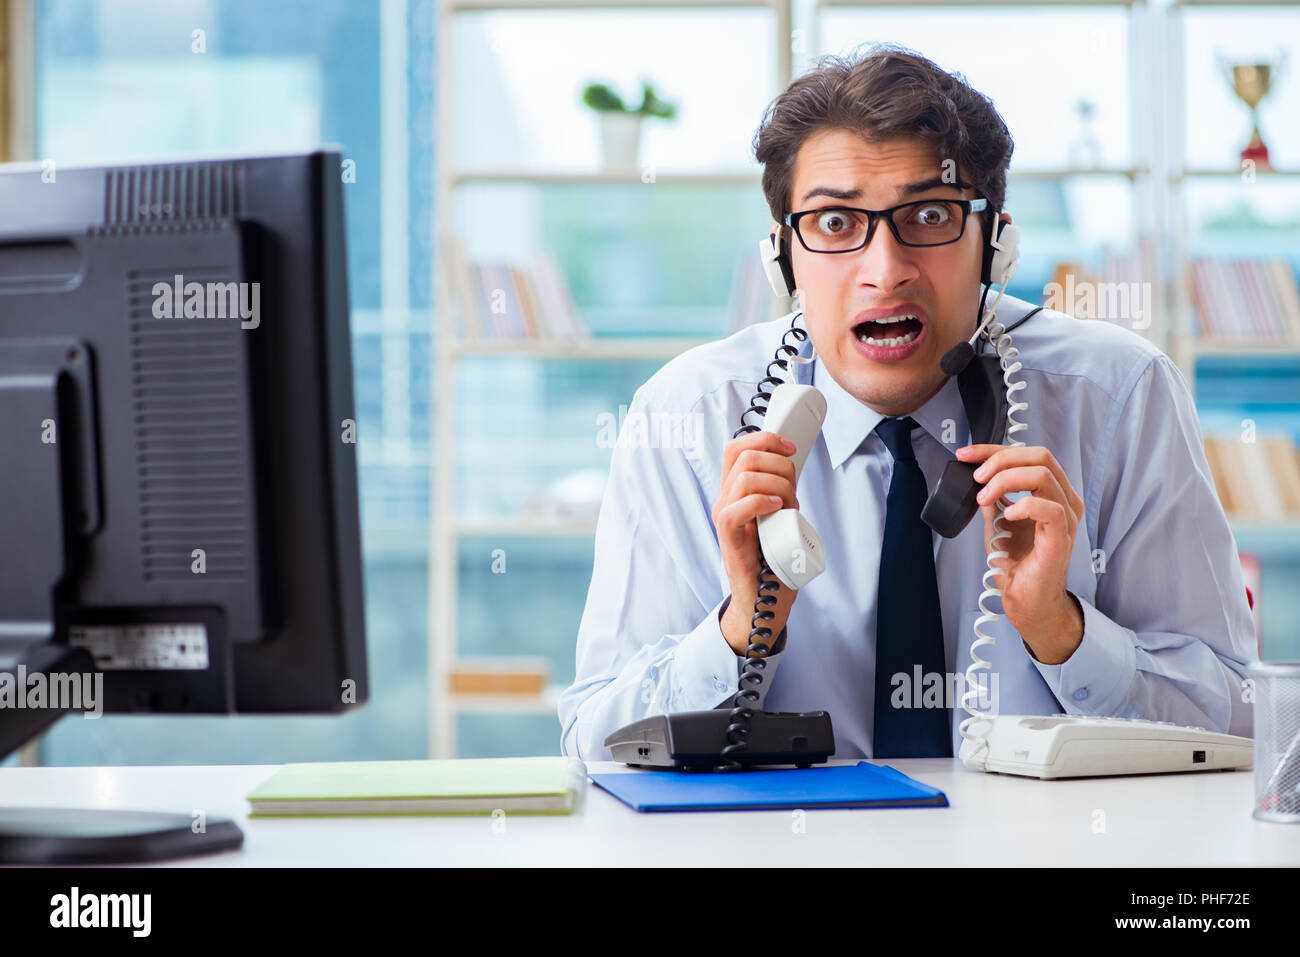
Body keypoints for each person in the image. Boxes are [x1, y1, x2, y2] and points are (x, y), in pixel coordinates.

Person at [557, 44, 1257, 761]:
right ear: (781, 258)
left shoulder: (1120, 399)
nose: (885, 271)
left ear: (996, 248)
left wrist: (1063, 631)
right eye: (835, 223)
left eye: (928, 216)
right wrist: (741, 627)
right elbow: (592, 741)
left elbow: (1241, 718)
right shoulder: (686, 418)